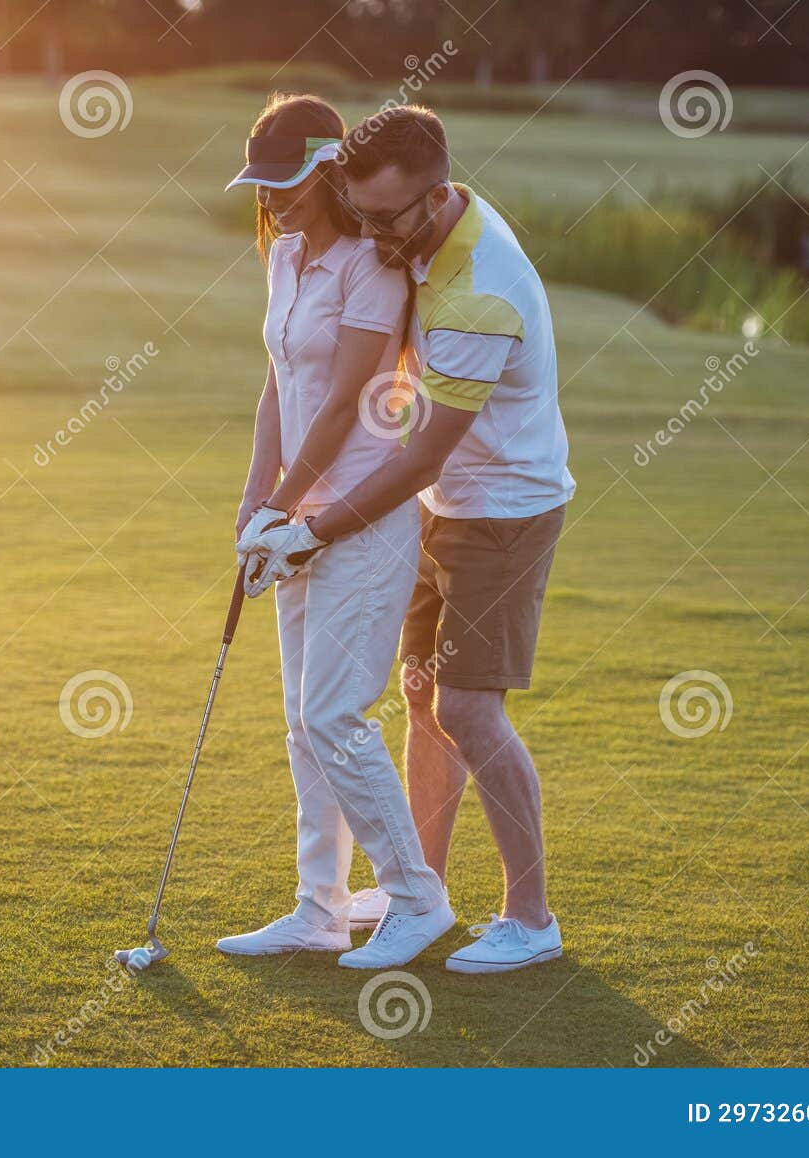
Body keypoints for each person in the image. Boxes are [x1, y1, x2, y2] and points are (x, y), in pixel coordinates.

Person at [239, 105, 574, 974]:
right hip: (440, 502)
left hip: (503, 506)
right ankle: (411, 887)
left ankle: (529, 918)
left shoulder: (478, 290)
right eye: (363, 210)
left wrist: (310, 527)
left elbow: (426, 446)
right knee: (421, 697)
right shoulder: (411, 233)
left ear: (435, 197)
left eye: (387, 217)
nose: (373, 231)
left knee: (467, 707)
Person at [221, 93, 454, 969]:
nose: (272, 196)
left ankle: (416, 897)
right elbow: (280, 387)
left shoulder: (371, 264)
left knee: (335, 715)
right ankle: (318, 908)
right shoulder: (284, 256)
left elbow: (351, 408)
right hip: (293, 519)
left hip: (363, 516)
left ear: (326, 170)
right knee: (299, 720)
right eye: (262, 182)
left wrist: (286, 506)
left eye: (286, 180)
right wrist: (255, 504)